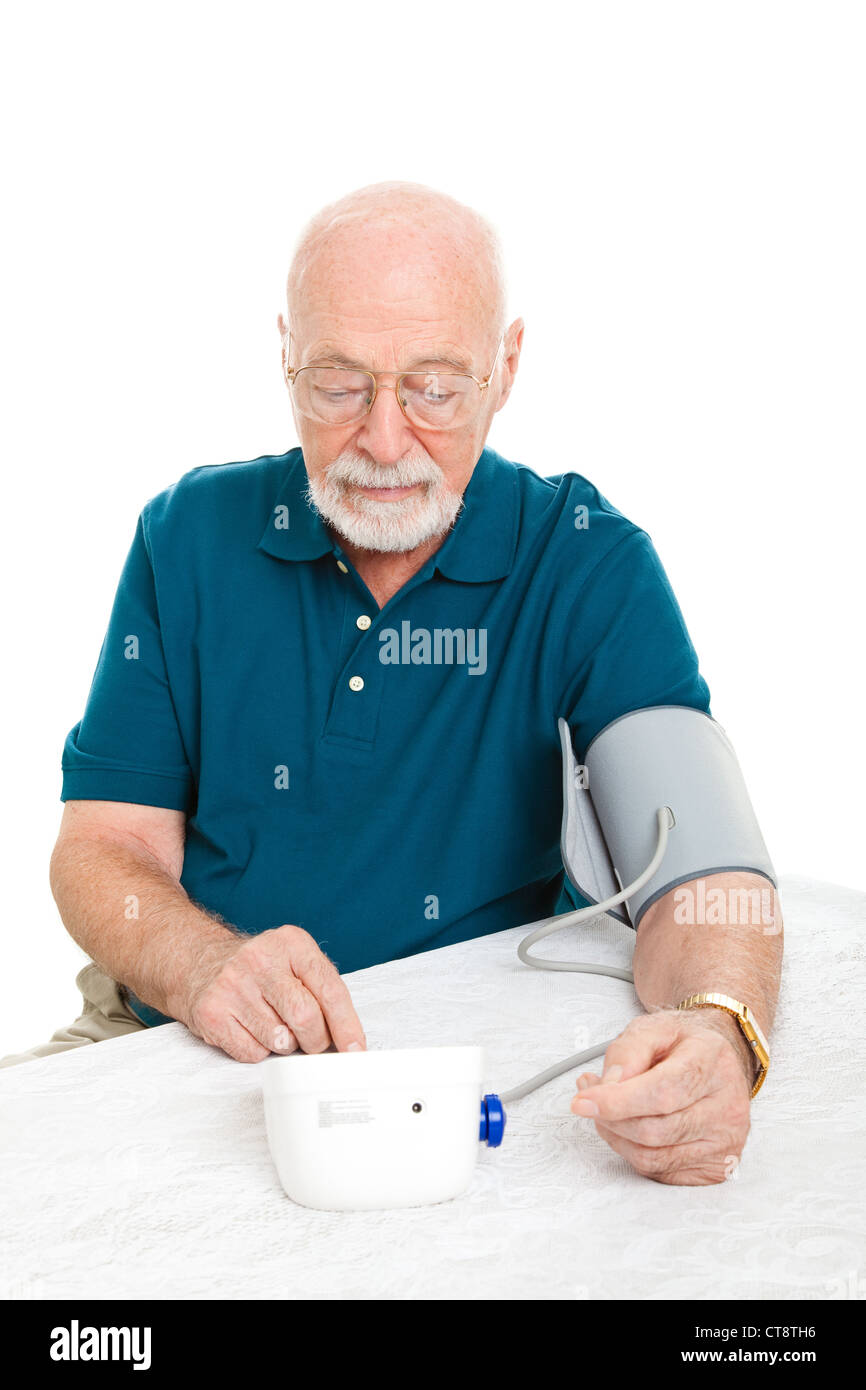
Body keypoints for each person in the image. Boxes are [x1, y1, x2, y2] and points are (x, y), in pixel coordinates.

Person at [2, 180, 783, 1186]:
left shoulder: (588, 561)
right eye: (337, 385)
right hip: (170, 1031)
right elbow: (102, 848)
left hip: (454, 1062)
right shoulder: (185, 536)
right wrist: (202, 966)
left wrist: (717, 1028)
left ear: (504, 367)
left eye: (432, 389)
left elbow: (703, 874)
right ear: (285, 355)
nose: (381, 440)